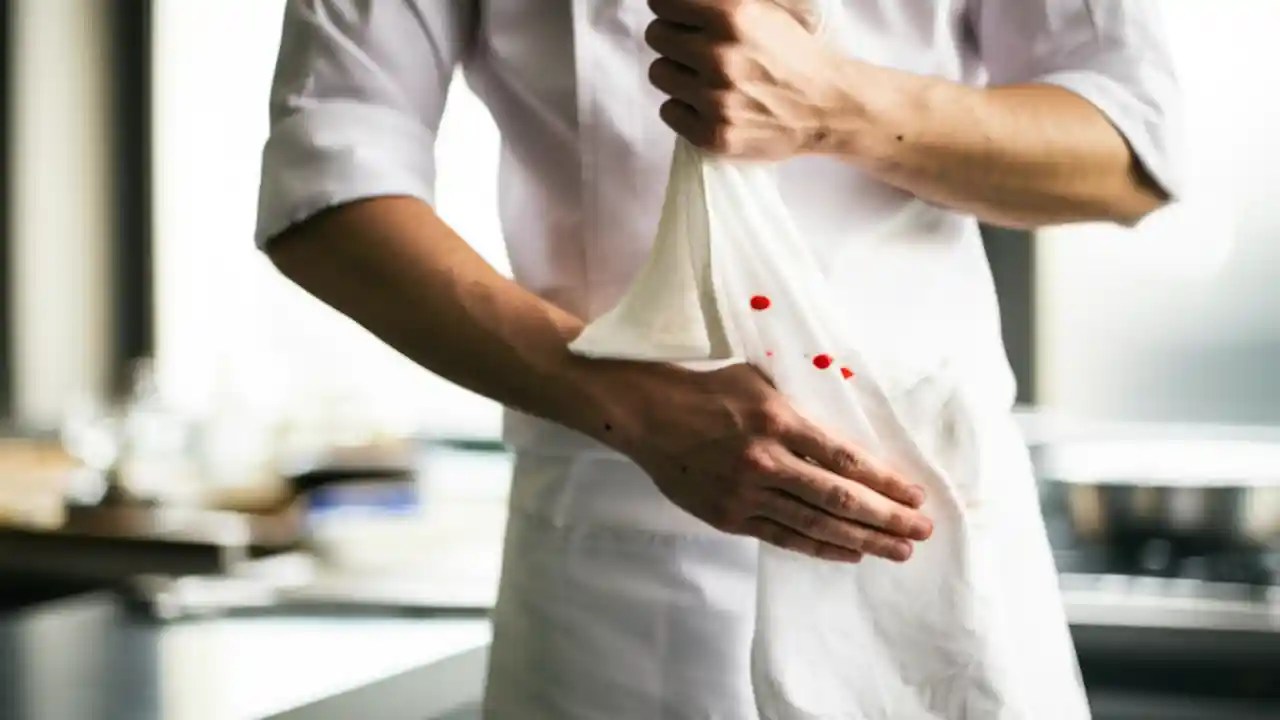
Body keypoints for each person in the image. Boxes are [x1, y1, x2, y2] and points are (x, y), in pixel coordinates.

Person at [256, 1, 1180, 717]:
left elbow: (1129, 150)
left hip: (939, 529)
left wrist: (836, 105)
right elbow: (326, 180)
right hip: (614, 561)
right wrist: (630, 405)